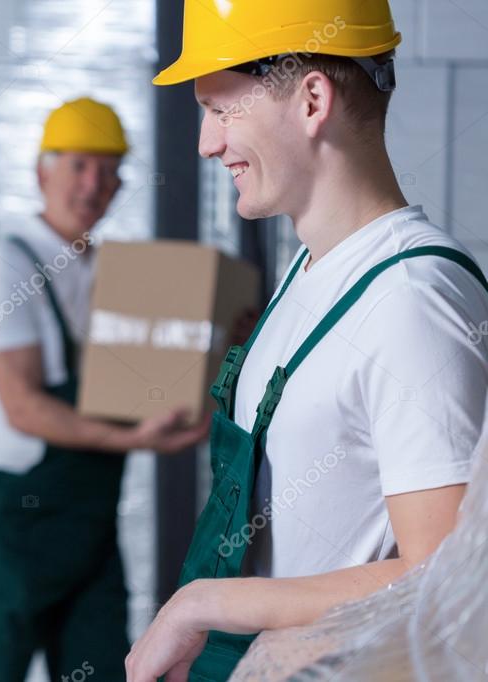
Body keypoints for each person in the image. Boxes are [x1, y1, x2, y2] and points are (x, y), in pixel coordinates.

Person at [126, 2, 488, 681]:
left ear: (312, 100)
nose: (206, 143)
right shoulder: (310, 266)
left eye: (220, 109)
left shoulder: (410, 300)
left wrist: (203, 604)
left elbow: (451, 580)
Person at [0, 97, 211, 682]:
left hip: (90, 524)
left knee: (100, 666)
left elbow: (152, 369)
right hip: (17, 523)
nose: (93, 184)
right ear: (42, 172)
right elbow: (24, 408)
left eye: (108, 170)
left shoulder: (107, 272)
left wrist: (223, 336)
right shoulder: (8, 268)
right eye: (78, 165)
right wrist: (135, 440)